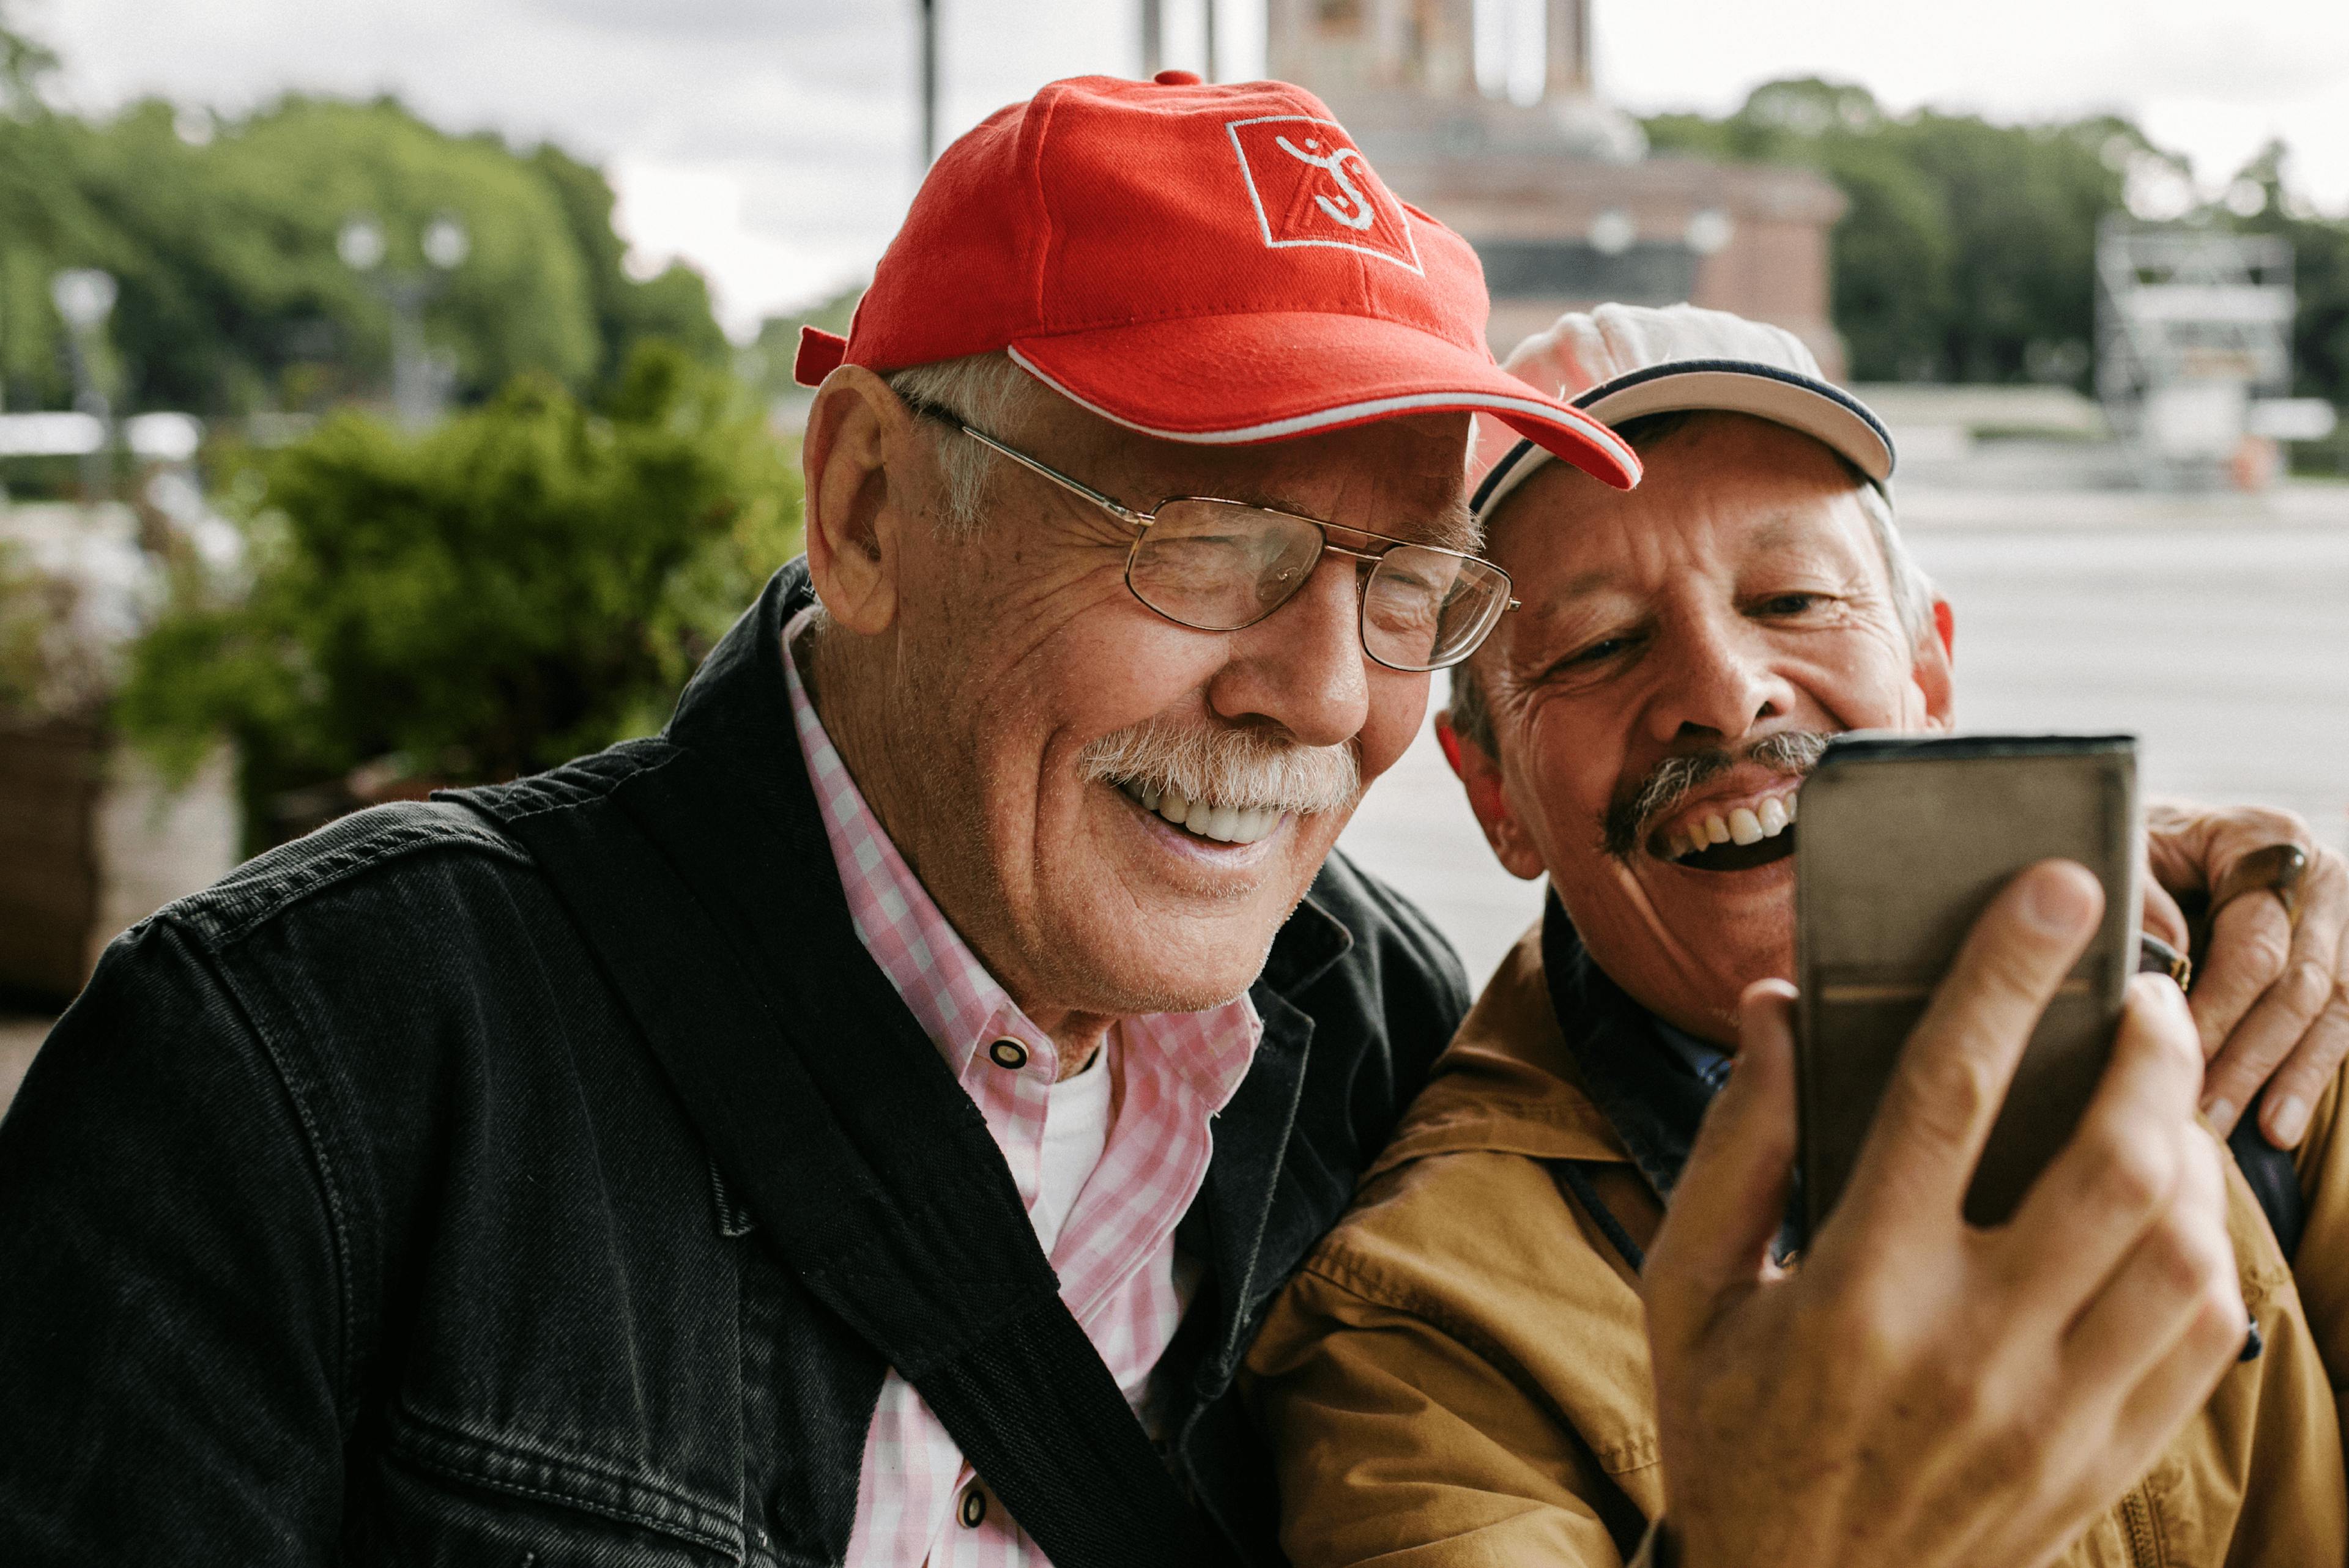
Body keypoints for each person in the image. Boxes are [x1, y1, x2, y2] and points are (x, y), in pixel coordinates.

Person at [0, 75, 2332, 1567]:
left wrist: (2171, 877)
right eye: (1207, 542)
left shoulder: (1373, 1055)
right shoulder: (312, 1069)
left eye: (1410, 581)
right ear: (873, 508)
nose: (1318, 686)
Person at [1244, 303, 2349, 1567]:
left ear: (1930, 679)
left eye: (1794, 596)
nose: (1723, 692)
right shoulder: (1423, 1334)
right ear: (1495, 791)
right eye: (1601, 645)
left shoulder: (2259, 1008)